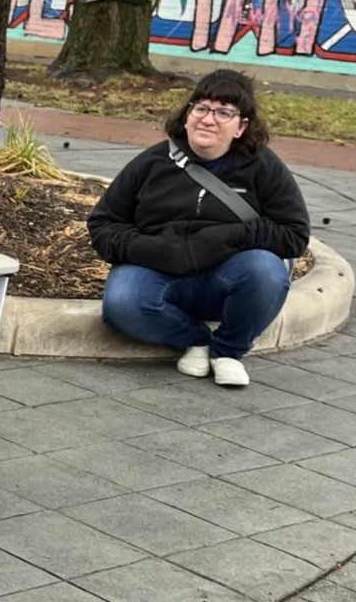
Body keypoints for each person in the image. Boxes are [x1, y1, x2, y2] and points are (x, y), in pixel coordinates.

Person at [88, 69, 310, 388]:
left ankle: (228, 351)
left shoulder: (263, 167)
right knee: (123, 301)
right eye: (201, 107)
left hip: (224, 279)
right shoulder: (152, 162)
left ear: (241, 126)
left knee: (266, 270)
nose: (208, 119)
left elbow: (294, 235)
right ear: (188, 114)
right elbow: (103, 223)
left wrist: (225, 239)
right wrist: (153, 249)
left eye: (224, 112)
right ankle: (196, 340)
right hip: (157, 272)